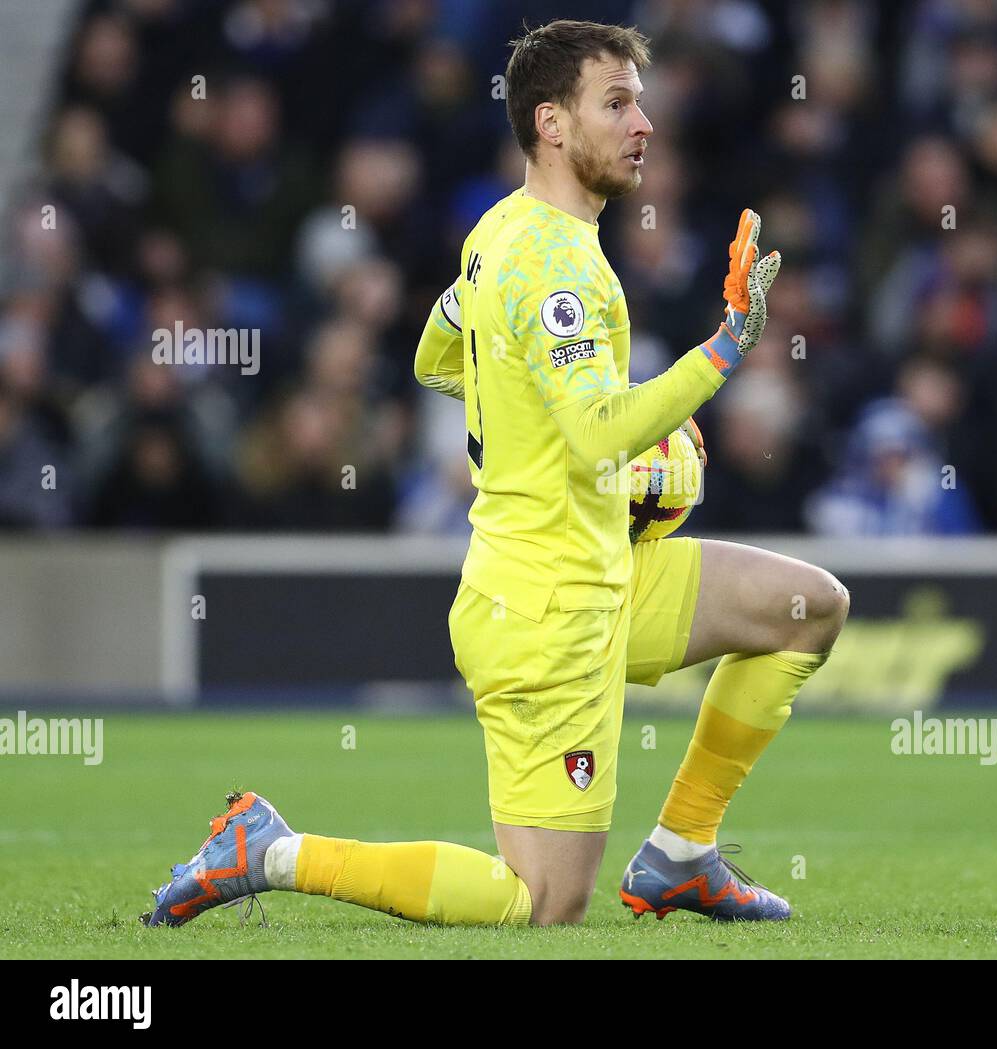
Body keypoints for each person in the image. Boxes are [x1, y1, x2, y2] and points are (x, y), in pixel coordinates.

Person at [144, 19, 848, 930]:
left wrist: (538, 429)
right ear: (551, 122)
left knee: (807, 609)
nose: (644, 124)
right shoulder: (557, 259)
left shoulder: (499, 232)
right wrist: (727, 346)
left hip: (599, 574)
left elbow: (440, 357)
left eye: (642, 102)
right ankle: (272, 848)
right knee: (542, 902)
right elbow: (598, 435)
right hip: (547, 611)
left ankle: (681, 853)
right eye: (619, 102)